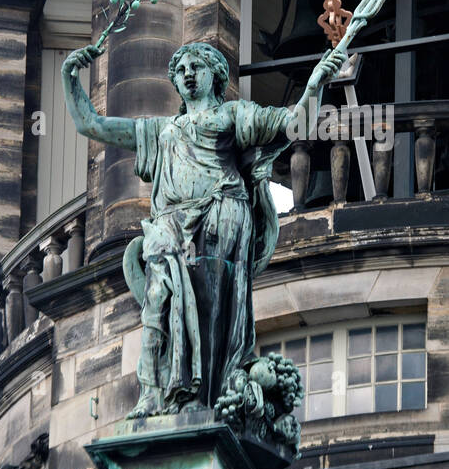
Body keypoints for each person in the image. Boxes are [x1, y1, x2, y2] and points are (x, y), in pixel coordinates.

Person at [62, 39, 343, 417]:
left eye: (196, 66)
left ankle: (204, 393)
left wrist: (316, 84)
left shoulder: (232, 116)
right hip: (170, 226)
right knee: (159, 301)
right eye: (180, 70)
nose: (188, 74)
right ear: (175, 84)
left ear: (216, 75)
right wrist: (69, 76)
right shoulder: (161, 132)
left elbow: (295, 124)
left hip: (221, 218)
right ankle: (153, 392)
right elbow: (91, 125)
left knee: (210, 309)